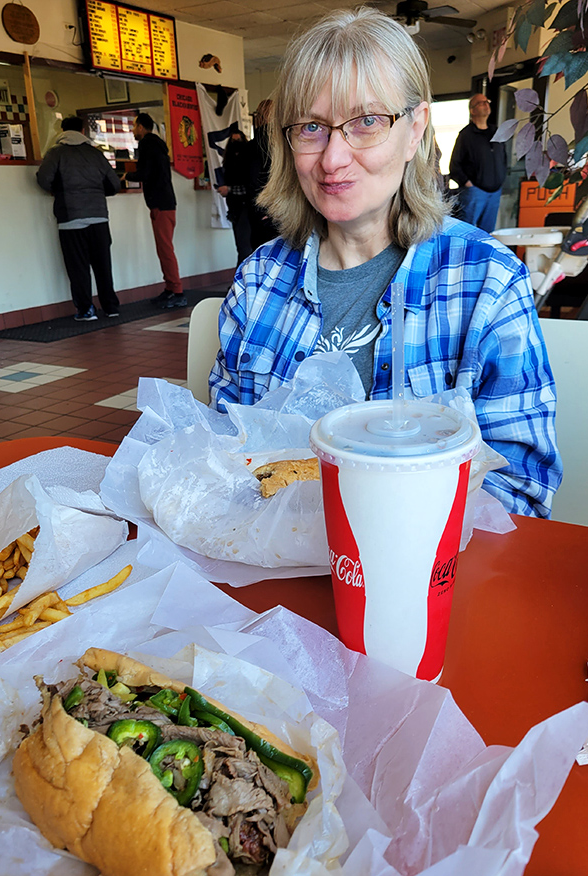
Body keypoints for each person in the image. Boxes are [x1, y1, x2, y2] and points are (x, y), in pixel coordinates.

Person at [209, 7, 562, 519]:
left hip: (427, 585)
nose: (332, 159)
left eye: (367, 122)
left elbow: (522, 490)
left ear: (415, 129)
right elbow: (220, 459)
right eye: (311, 127)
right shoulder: (259, 281)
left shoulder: (485, 281)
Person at [36, 115, 121, 322]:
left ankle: (86, 310)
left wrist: (59, 189)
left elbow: (43, 180)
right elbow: (114, 184)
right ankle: (111, 307)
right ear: (83, 131)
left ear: (62, 131)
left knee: (78, 268)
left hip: (70, 219)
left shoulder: (56, 153)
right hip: (99, 218)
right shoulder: (95, 154)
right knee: (103, 266)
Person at [131, 112, 186, 309]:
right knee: (164, 249)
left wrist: (127, 175)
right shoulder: (159, 146)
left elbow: (145, 172)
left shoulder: (147, 145)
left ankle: (177, 290)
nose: (132, 130)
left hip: (160, 204)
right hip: (166, 203)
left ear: (141, 127)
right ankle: (171, 288)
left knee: (165, 249)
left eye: (134, 126)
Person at [449, 94, 507, 233]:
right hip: (475, 192)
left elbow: (504, 158)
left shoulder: (497, 132)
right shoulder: (466, 135)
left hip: (495, 193)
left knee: (488, 235)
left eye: (487, 101)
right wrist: (468, 184)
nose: (486, 104)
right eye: (480, 103)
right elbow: (455, 165)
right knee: (466, 232)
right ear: (472, 110)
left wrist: (501, 179)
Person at [245, 100, 279, 250]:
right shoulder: (280, 145)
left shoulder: (251, 147)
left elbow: (251, 181)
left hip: (260, 211)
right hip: (276, 211)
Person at [216, 129, 253, 265]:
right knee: (241, 245)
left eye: (238, 140)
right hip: (235, 207)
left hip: (246, 206)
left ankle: (241, 281)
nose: (236, 144)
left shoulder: (248, 160)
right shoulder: (230, 161)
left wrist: (229, 189)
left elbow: (250, 187)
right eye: (233, 141)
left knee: (244, 246)